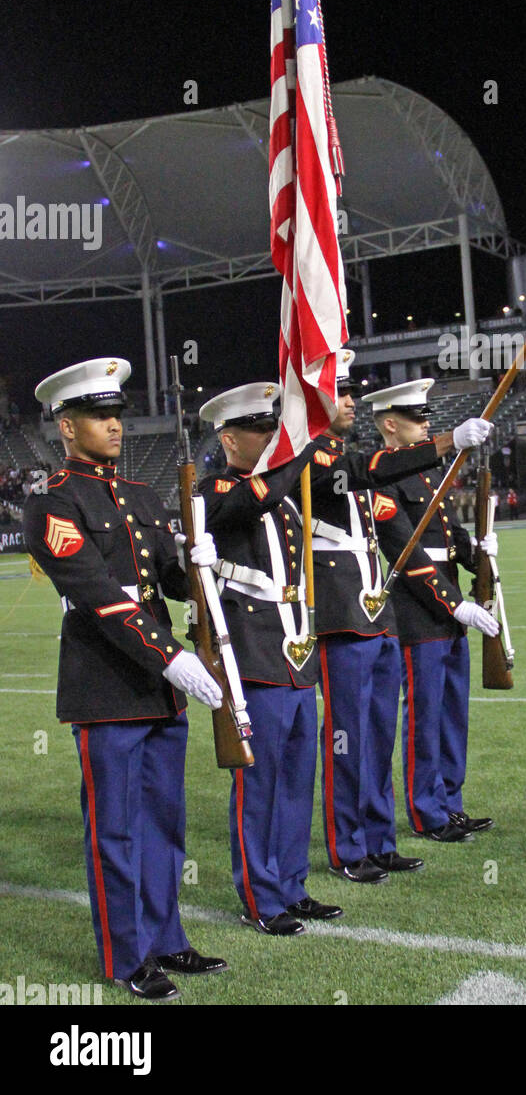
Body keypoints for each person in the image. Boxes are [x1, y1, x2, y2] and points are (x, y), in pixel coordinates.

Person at [23, 358, 227, 1002]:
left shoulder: (139, 496)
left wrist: (201, 567)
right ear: (66, 427)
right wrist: (169, 654)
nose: (114, 425)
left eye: (117, 415)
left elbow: (166, 580)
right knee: (115, 828)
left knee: (165, 822)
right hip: (107, 685)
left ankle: (167, 938)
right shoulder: (52, 500)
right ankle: (125, 956)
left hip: (160, 690)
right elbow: (98, 596)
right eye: (99, 417)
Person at [304, 350, 493, 883]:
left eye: (348, 391)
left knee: (378, 734)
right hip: (345, 612)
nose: (347, 401)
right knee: (349, 737)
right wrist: (448, 442)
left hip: (375, 611)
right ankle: (349, 846)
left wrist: (476, 552)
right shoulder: (318, 461)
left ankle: (379, 838)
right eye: (338, 392)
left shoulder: (353, 458)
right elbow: (377, 489)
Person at [199, 383, 343, 936]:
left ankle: (291, 884)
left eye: (274, 427)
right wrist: (301, 448)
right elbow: (250, 499)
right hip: (252, 654)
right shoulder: (215, 491)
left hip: (294, 651)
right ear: (229, 437)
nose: (272, 438)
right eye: (262, 429)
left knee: (296, 778)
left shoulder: (283, 494)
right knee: (258, 784)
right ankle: (260, 895)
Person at [365, 379, 500, 843]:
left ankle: (450, 801)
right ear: (390, 424)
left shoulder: (427, 475)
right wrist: (455, 604)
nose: (426, 426)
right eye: (416, 419)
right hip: (419, 613)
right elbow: (404, 553)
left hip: (450, 611)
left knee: (450, 713)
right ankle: (427, 811)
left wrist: (479, 553)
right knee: (425, 716)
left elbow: (451, 536)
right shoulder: (382, 478)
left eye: (427, 418)